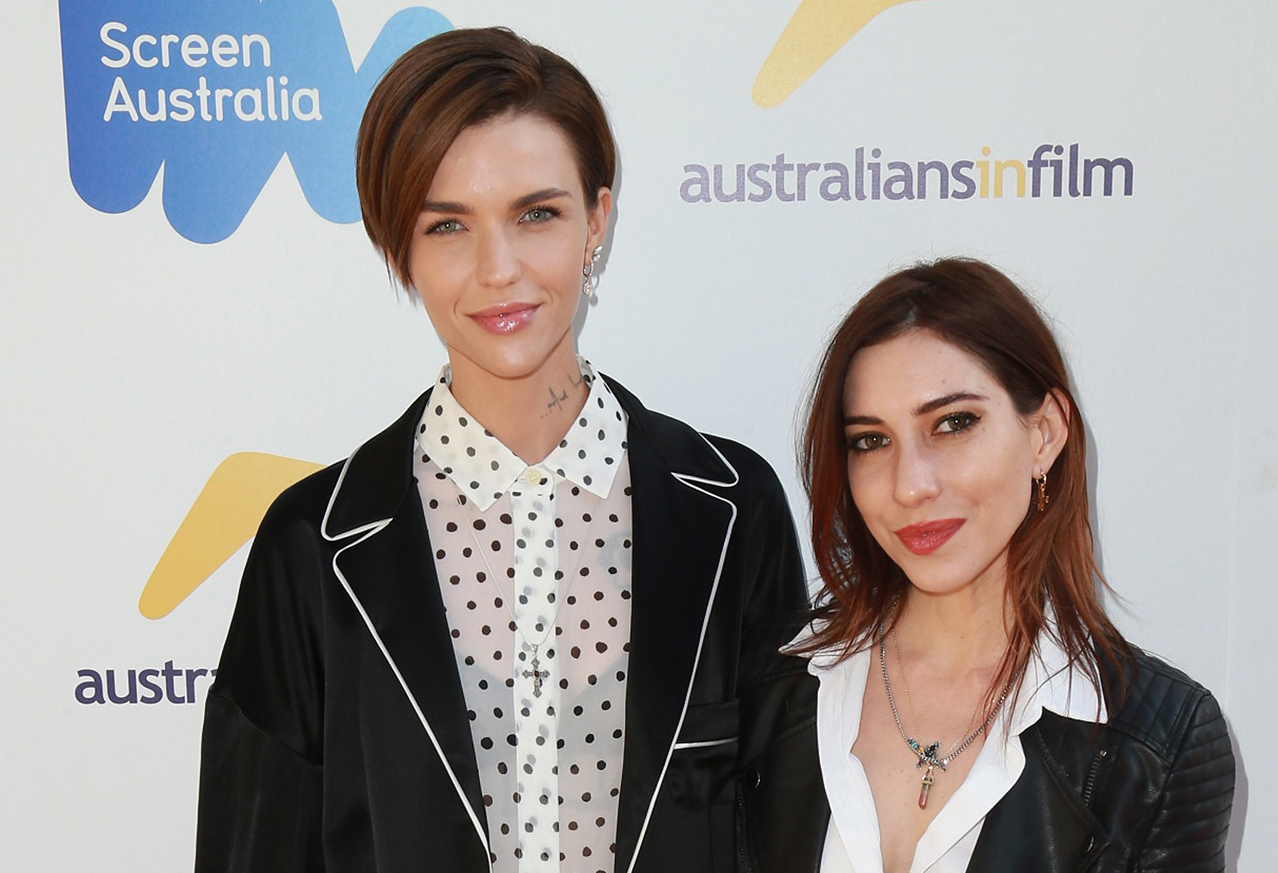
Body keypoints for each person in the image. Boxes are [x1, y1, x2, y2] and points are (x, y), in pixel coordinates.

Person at [194, 27, 818, 873]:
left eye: (537, 214)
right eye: (448, 225)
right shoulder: (314, 544)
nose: (499, 269)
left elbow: (787, 832)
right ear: (401, 249)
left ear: (597, 220)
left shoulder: (728, 507)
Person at [792, 258, 1234, 873]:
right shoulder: (774, 688)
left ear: (1044, 433)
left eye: (954, 424)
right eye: (871, 440)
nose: (910, 485)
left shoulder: (1160, 742)